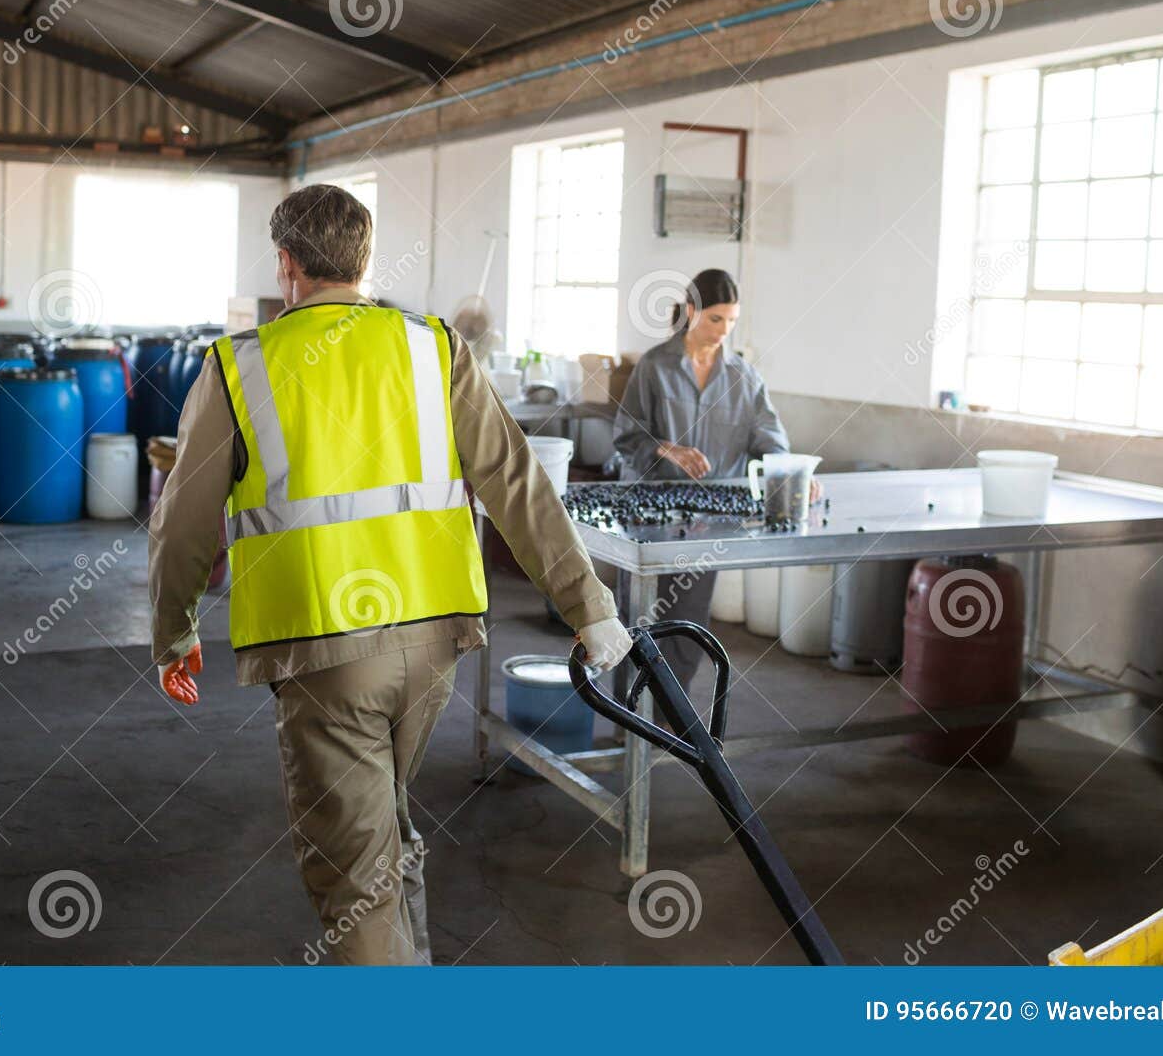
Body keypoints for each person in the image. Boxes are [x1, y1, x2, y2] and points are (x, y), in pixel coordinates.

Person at [148, 184, 631, 966]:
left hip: (326, 655)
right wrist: (589, 605)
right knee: (383, 828)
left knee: (353, 878)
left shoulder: (241, 364)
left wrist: (173, 632)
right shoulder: (433, 345)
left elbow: (182, 521)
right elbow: (516, 480)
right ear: (365, 260)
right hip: (434, 647)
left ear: (286, 263)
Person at [612, 268, 796, 702]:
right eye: (716, 319)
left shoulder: (744, 378)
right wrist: (665, 449)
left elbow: (771, 440)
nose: (723, 330)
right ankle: (627, 718)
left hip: (706, 524)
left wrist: (791, 475)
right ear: (691, 311)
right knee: (634, 619)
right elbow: (625, 436)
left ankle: (672, 724)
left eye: (732, 321)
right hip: (647, 514)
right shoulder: (654, 368)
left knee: (688, 624)